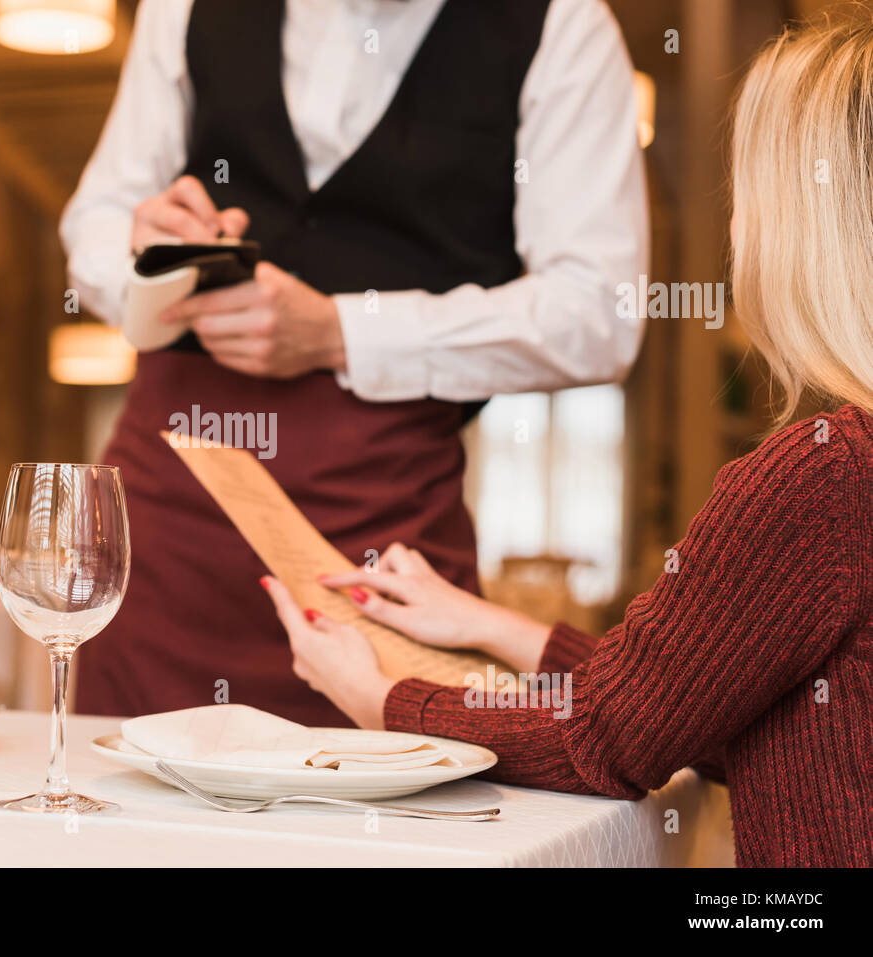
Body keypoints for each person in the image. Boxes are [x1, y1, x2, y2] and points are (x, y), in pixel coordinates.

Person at [261, 16, 873, 867]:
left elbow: (611, 739)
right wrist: (498, 627)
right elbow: (699, 707)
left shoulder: (823, 472)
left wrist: (385, 700)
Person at [61, 0, 647, 725]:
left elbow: (602, 315)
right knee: (128, 818)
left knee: (388, 813)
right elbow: (94, 227)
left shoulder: (561, 25)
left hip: (382, 541)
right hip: (165, 532)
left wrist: (343, 331)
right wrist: (144, 259)